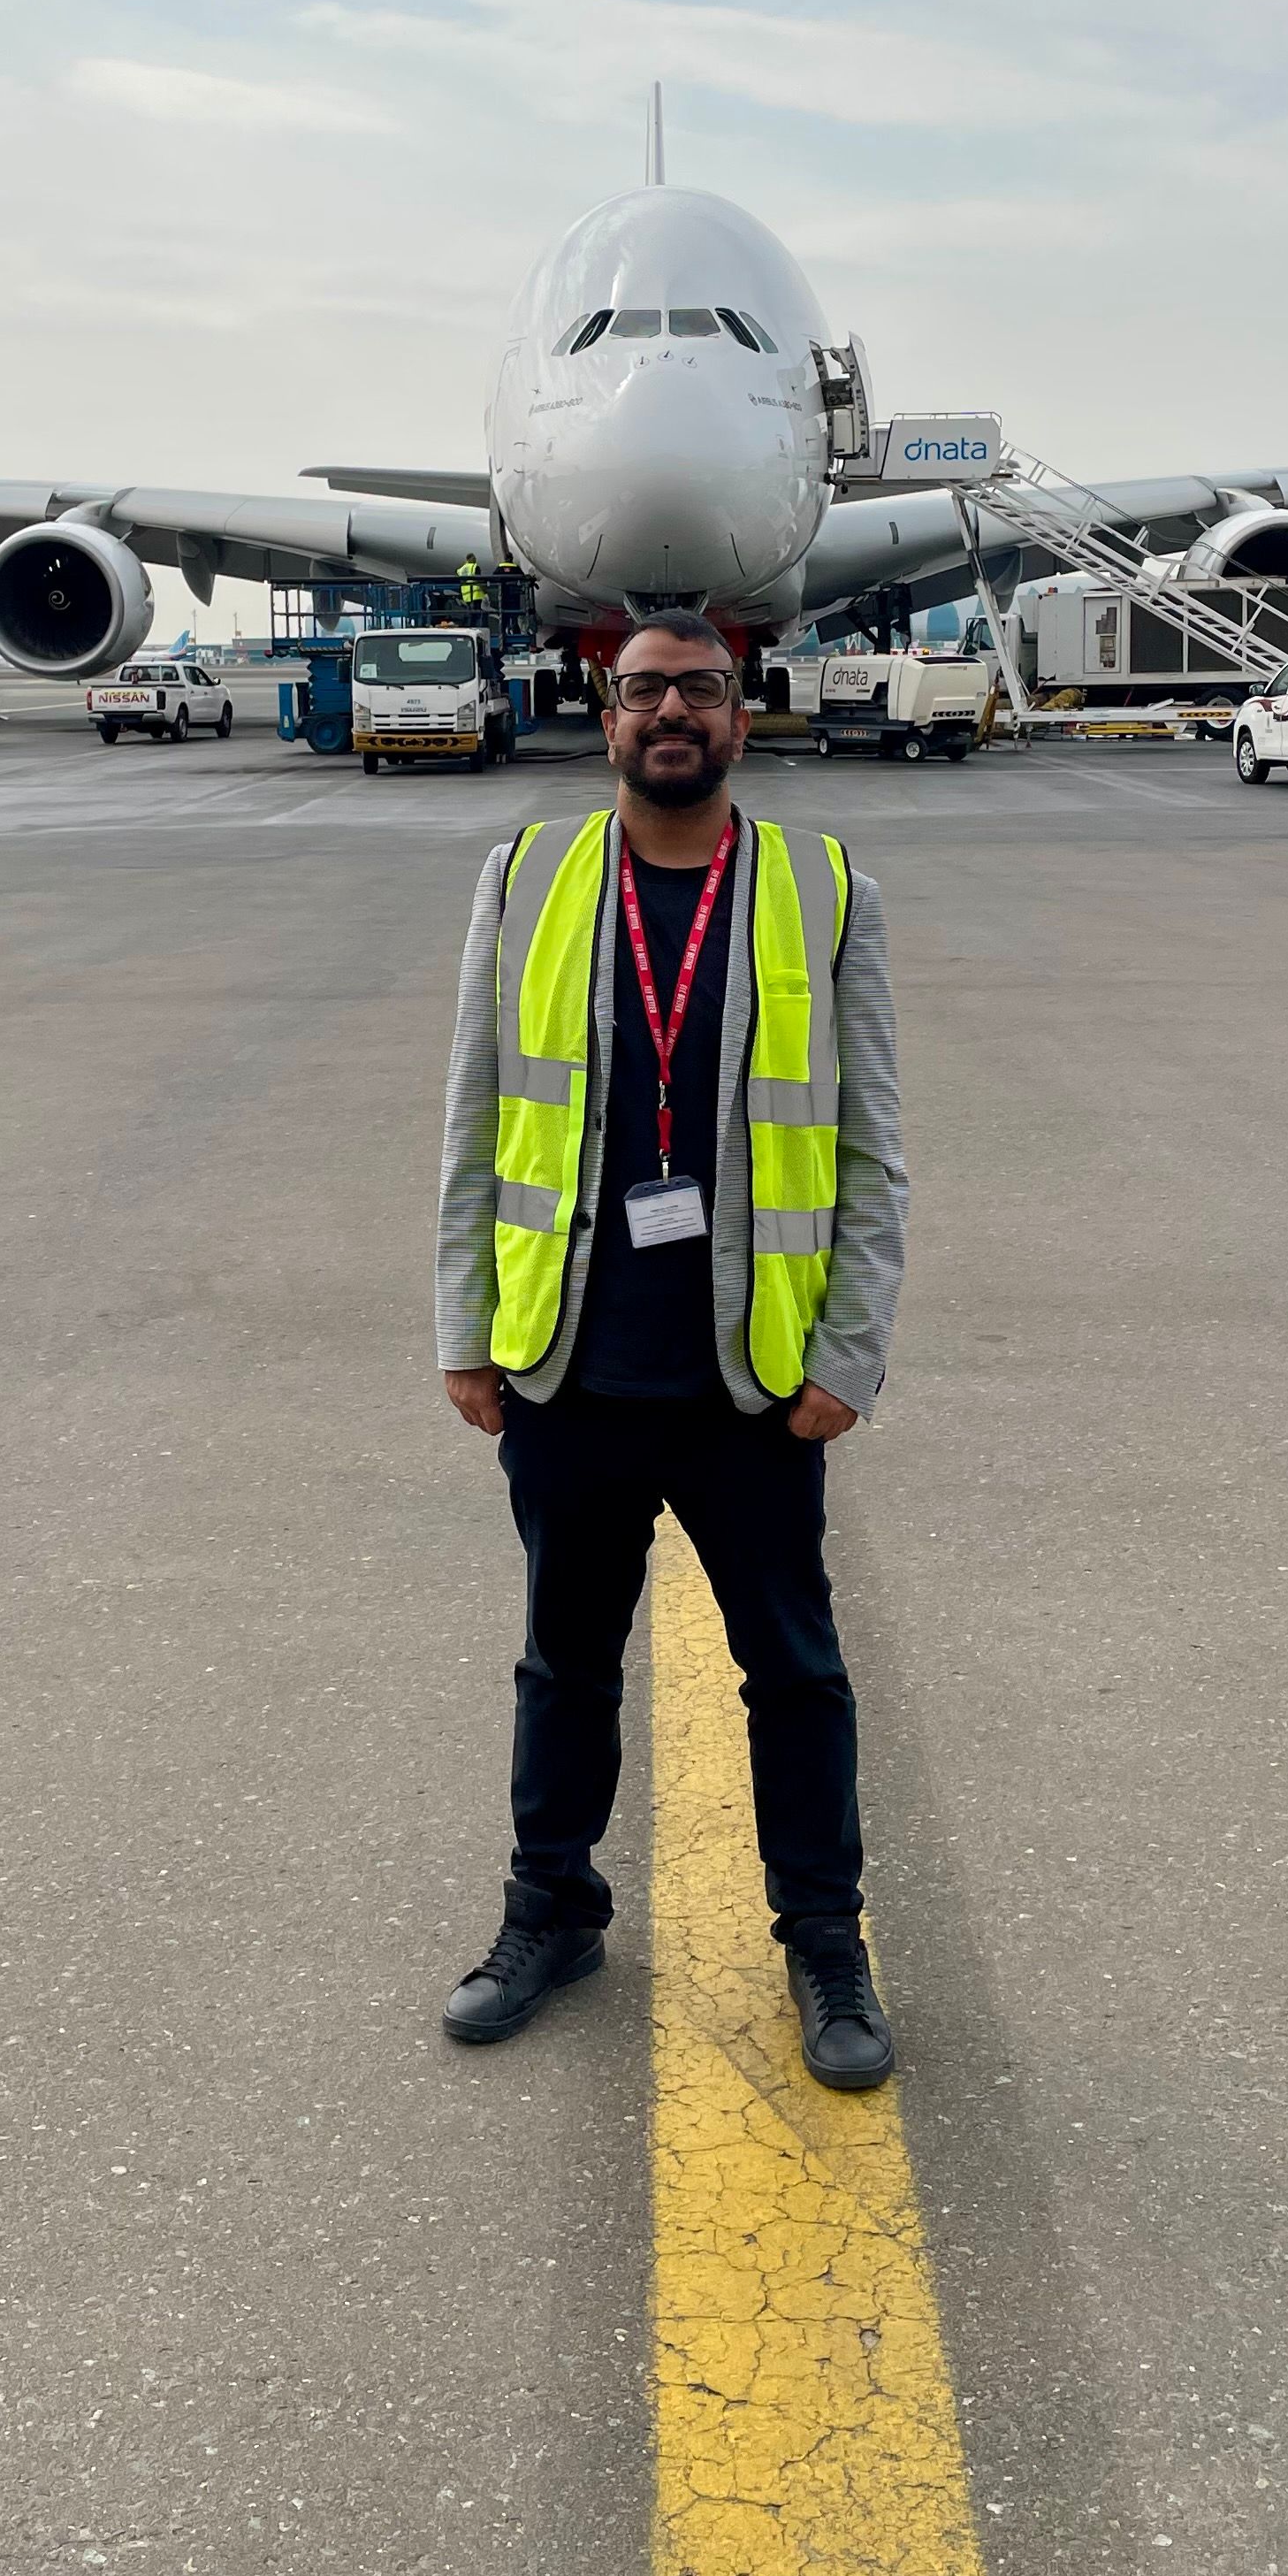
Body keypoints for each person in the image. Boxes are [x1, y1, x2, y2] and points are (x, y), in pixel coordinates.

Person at [433, 609, 908, 2089]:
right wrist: (463, 1326)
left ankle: (825, 1939)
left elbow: (872, 1149)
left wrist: (852, 1352)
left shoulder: (824, 888)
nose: (671, 715)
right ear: (607, 713)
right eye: (644, 693)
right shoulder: (527, 876)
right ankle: (549, 1912)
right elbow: (472, 1114)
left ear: (740, 711)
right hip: (567, 1363)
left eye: (699, 689)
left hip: (750, 1387)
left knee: (797, 1673)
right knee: (564, 1663)